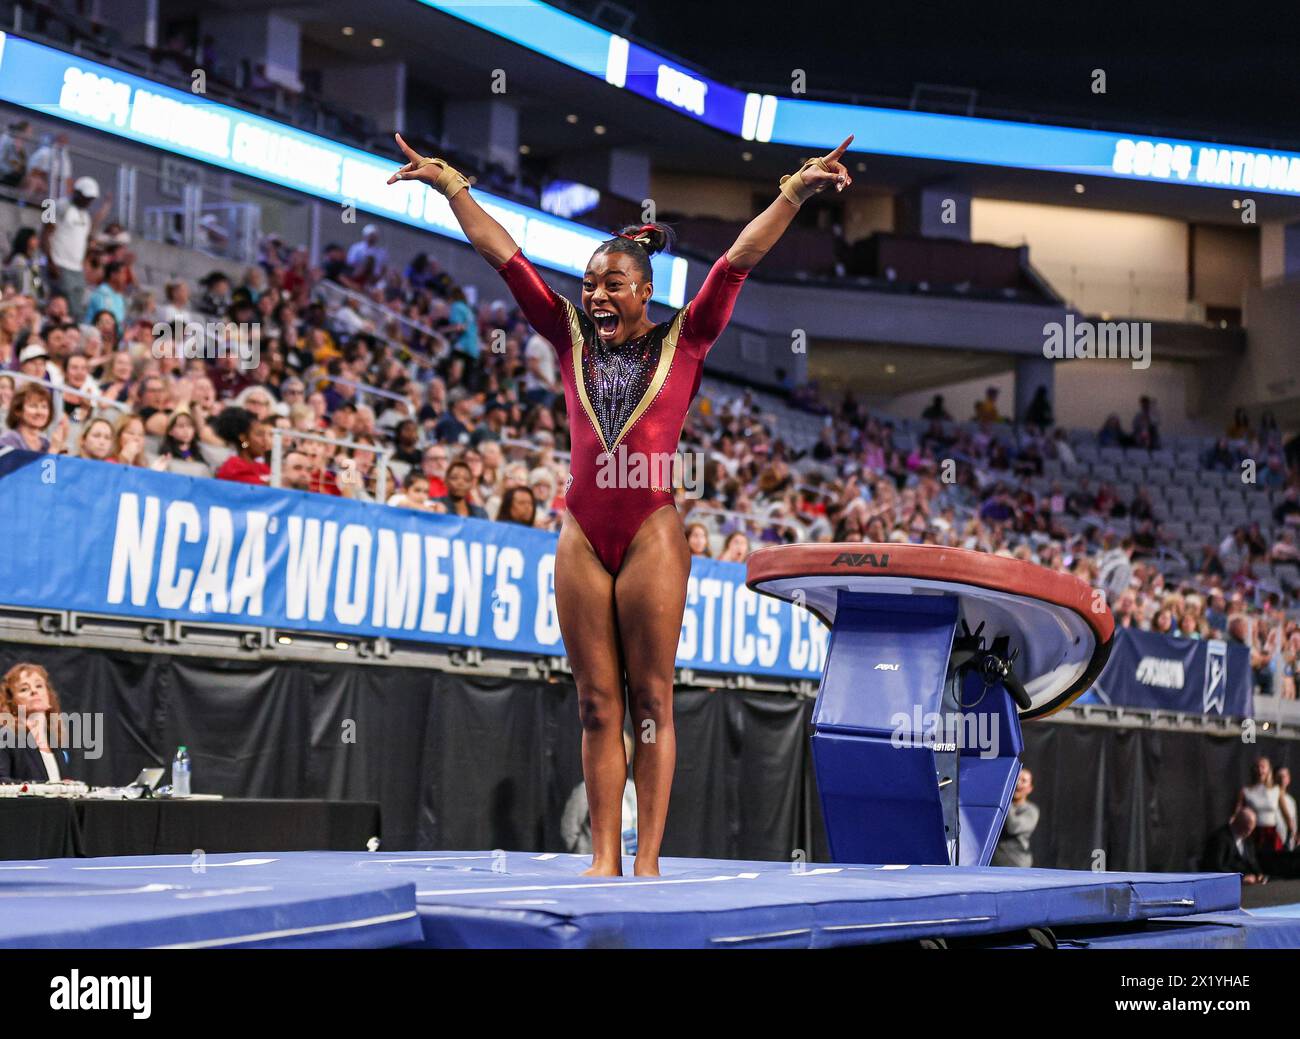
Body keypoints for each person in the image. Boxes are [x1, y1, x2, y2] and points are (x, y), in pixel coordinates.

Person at [389, 128, 854, 876]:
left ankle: (647, 861)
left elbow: (737, 262)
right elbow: (504, 258)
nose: (596, 296)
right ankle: (604, 857)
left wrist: (792, 193)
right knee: (595, 703)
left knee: (651, 703)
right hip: (580, 530)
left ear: (645, 290)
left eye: (612, 285)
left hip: (651, 532)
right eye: (589, 284)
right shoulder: (568, 335)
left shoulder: (687, 339)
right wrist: (453, 189)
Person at [560, 731, 638, 856]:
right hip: (591, 862)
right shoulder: (586, 788)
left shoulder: (633, 789)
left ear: (628, 758)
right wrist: (581, 854)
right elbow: (569, 828)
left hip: (627, 862)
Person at [0, 663, 81, 783]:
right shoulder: (6, 736)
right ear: (11, 702)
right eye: (24, 689)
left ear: (48, 694)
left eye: (39, 686)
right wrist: (47, 788)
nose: (34, 691)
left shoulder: (54, 741)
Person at [41, 177, 108, 319]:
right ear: (77, 192)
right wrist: (50, 260)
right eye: (86, 197)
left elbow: (85, 240)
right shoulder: (58, 206)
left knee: (77, 309)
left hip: (76, 268)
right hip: (60, 264)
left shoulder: (85, 215)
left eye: (91, 198)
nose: (88, 201)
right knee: (65, 306)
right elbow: (45, 233)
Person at [1201, 806, 1267, 884]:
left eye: (1251, 830)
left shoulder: (1247, 839)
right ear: (1238, 823)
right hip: (1226, 884)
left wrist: (1258, 874)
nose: (1250, 833)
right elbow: (1216, 866)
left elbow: (1252, 860)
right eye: (1248, 829)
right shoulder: (1220, 838)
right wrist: (1240, 878)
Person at [0, 381, 67, 454]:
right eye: (33, 406)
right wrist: (53, 450)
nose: (39, 412)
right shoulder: (8, 440)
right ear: (18, 410)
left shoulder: (46, 444)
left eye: (44, 407)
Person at [991, 767, 1039, 867]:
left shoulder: (1031, 811)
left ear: (1030, 788)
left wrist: (1006, 797)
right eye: (1016, 779)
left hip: (1016, 866)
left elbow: (1013, 827)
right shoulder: (997, 806)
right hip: (993, 865)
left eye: (1023, 781)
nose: (1018, 783)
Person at [1237, 756, 1285, 855]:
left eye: (1263, 767)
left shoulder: (1276, 789)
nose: (1260, 770)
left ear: (1268, 769)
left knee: (1274, 862)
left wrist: (1294, 833)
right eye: (1257, 767)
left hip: (1272, 833)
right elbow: (1237, 812)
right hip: (1253, 833)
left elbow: (1286, 814)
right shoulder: (1246, 790)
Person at [213, 407, 272, 485]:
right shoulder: (234, 468)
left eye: (269, 435)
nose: (266, 440)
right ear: (243, 438)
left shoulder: (261, 467)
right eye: (259, 434)